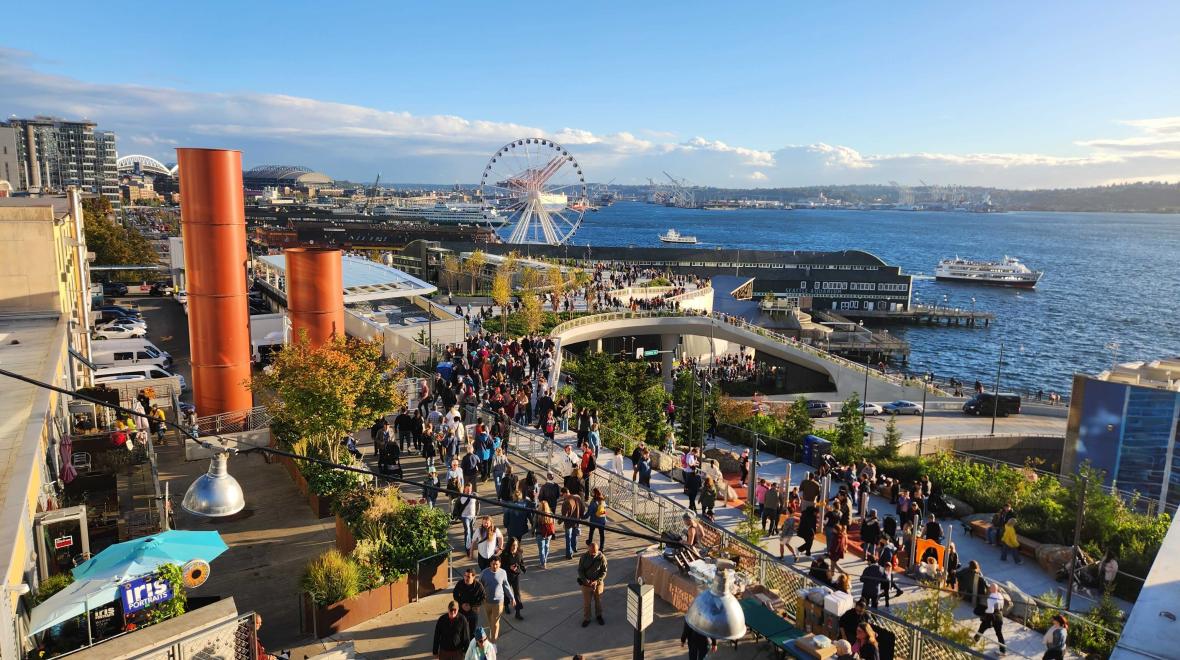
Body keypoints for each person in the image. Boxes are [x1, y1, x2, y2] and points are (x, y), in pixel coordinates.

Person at [478, 556, 515, 643]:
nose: (495, 566)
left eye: (497, 564)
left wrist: (512, 598)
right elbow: (479, 587)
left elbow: (506, 586)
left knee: (495, 622)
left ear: (500, 564)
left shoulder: (503, 573)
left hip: (498, 602)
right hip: (486, 602)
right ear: (490, 563)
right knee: (490, 621)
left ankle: (493, 642)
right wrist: (478, 601)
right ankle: (492, 632)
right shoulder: (484, 573)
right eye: (493, 564)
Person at [577, 541, 608, 627]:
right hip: (586, 584)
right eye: (591, 553)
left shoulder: (602, 557)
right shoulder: (583, 557)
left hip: (598, 584)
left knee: (598, 601)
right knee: (587, 603)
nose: (593, 554)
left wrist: (597, 581)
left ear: (598, 550)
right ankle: (587, 618)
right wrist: (585, 580)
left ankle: (599, 616)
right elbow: (580, 570)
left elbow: (604, 572)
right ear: (588, 550)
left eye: (595, 553)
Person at [973, 583, 1007, 655]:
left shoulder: (991, 596)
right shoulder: (1001, 596)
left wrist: (984, 611)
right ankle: (1003, 651)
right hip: (1000, 616)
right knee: (999, 634)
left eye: (990, 588)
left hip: (992, 616)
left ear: (992, 589)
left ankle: (975, 640)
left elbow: (990, 610)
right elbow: (1001, 607)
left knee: (982, 627)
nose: (989, 589)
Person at [499, 537, 526, 620]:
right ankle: (506, 605)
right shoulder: (504, 554)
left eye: (516, 545)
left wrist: (523, 568)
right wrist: (509, 567)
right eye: (513, 545)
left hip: (516, 575)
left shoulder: (519, 553)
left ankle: (518, 612)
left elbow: (521, 562)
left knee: (517, 593)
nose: (514, 547)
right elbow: (501, 565)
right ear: (510, 545)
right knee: (507, 591)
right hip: (507, 576)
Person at [453, 569, 486, 637]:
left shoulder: (478, 586)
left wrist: (473, 606)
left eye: (468, 576)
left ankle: (471, 644)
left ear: (474, 577)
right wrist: (461, 604)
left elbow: (483, 598)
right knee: (461, 629)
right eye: (465, 576)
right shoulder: (460, 583)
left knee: (472, 631)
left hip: (473, 611)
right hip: (462, 610)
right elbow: (455, 594)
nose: (466, 578)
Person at [562, 487, 585, 559]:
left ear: (565, 493)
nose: (562, 496)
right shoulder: (577, 498)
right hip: (577, 520)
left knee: (568, 537)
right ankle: (574, 548)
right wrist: (581, 516)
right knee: (574, 535)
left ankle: (569, 554)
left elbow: (564, 515)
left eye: (562, 494)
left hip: (568, 523)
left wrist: (559, 521)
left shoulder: (566, 502)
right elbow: (582, 507)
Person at [535, 500, 556, 568]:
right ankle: (545, 561)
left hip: (540, 533)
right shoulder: (550, 513)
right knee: (547, 546)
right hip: (549, 533)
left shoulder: (538, 514)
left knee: (541, 549)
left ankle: (543, 563)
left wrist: (532, 531)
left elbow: (534, 524)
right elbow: (553, 523)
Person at [459, 484, 480, 550]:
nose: (469, 491)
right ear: (464, 489)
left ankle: (470, 543)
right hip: (465, 517)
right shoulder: (462, 497)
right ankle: (467, 547)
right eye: (467, 489)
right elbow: (462, 503)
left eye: (470, 489)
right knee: (467, 530)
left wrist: (476, 514)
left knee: (471, 530)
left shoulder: (474, 496)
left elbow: (478, 504)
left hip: (473, 517)